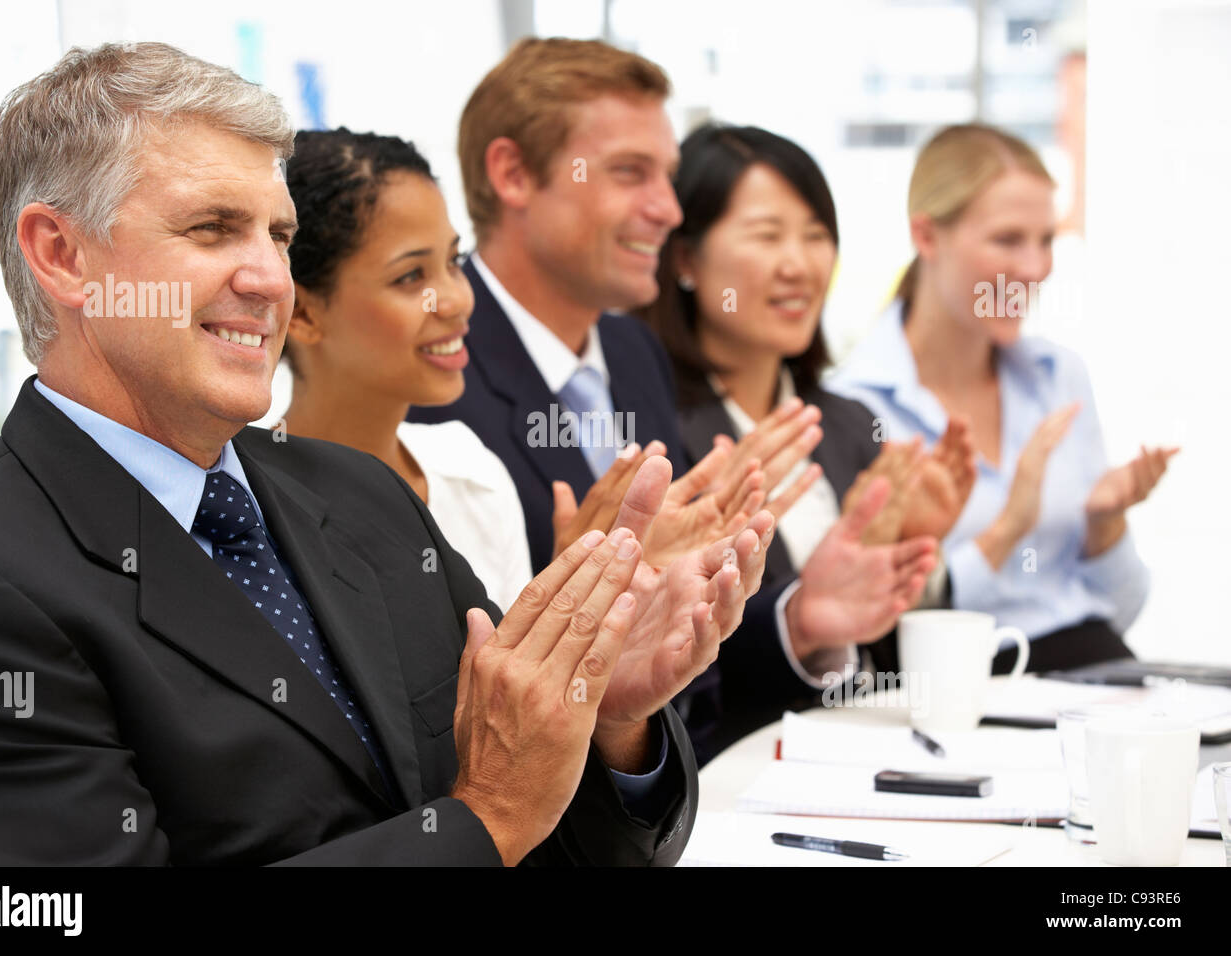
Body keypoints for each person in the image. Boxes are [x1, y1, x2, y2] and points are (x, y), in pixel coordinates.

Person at [0, 41, 777, 866]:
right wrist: (484, 820)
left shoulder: (362, 493)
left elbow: (563, 839)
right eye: (213, 229)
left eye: (279, 235)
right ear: (61, 254)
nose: (269, 279)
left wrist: (604, 715)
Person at [409, 38, 939, 763]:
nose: (665, 209)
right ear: (512, 173)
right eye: (631, 173)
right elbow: (429, 688)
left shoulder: (632, 354)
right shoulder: (427, 364)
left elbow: (684, 671)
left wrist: (802, 616)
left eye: (668, 177)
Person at [637, 124, 976, 758]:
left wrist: (912, 548)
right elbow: (673, 682)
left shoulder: (847, 421)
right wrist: (801, 617)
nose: (799, 264)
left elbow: (889, 654)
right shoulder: (655, 432)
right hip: (738, 772)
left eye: (816, 235)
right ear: (685, 258)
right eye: (767, 236)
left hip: (877, 757)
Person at [829, 123, 1176, 673]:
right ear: (926, 236)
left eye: (1046, 241)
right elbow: (876, 631)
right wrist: (1008, 528)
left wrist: (1104, 524)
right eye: (1008, 240)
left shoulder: (1059, 376)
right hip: (959, 692)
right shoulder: (855, 410)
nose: (1035, 268)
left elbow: (1120, 609)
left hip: (1095, 670)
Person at [277, 128, 531, 612]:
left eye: (453, 261)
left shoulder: (472, 473)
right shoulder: (247, 507)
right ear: (302, 314)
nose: (457, 300)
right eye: (411, 276)